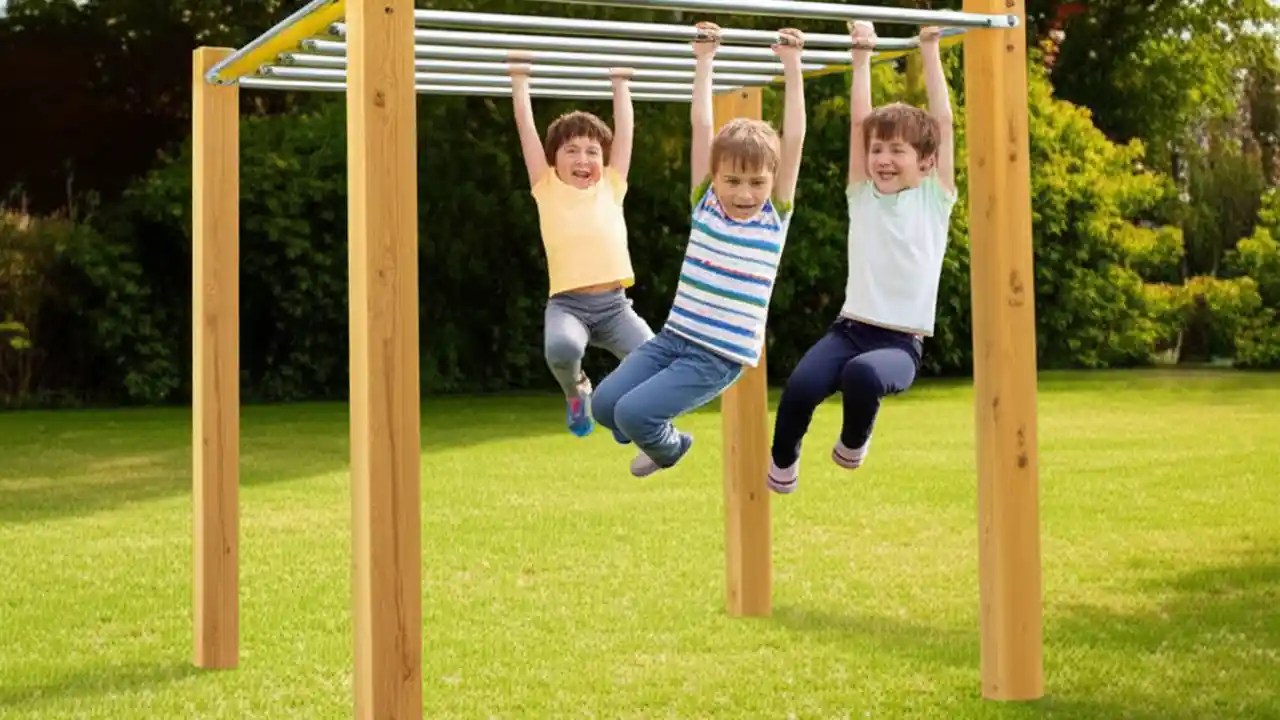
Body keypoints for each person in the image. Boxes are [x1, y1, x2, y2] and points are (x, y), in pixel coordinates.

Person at [591, 22, 808, 477]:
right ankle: (652, 427)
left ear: (772, 180)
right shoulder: (705, 206)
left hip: (718, 355)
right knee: (605, 406)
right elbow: (702, 125)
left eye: (756, 182)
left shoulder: (774, 218)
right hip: (674, 338)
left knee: (633, 414)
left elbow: (794, 138)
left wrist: (792, 66)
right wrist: (704, 60)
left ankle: (669, 446)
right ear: (715, 179)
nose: (744, 193)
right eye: (732, 181)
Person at [767, 22, 957, 494]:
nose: (883, 159)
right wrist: (860, 55)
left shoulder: (935, 199)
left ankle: (855, 442)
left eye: (898, 150)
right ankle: (781, 463)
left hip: (900, 345)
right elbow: (859, 124)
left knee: (863, 375)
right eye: (877, 150)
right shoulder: (863, 195)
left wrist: (928, 50)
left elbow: (944, 124)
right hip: (849, 329)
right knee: (801, 388)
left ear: (927, 162)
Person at [508, 61, 654, 437]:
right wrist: (520, 83)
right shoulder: (546, 187)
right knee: (561, 346)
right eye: (571, 151)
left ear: (603, 162)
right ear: (554, 158)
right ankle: (576, 392)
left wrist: (621, 85)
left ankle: (627, 412)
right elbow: (526, 131)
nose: (583, 159)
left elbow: (624, 135)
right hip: (568, 305)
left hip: (615, 306)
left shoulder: (612, 185)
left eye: (592, 151)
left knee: (654, 358)